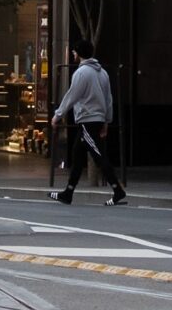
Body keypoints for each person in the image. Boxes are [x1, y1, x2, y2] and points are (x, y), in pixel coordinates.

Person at [48, 45, 125, 206]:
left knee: (98, 156)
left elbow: (71, 96)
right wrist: (106, 121)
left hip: (88, 119)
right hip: (97, 119)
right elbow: (108, 98)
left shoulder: (81, 73)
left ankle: (118, 190)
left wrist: (57, 115)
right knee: (77, 156)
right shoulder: (103, 72)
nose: (73, 54)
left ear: (79, 53)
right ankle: (68, 193)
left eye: (75, 52)